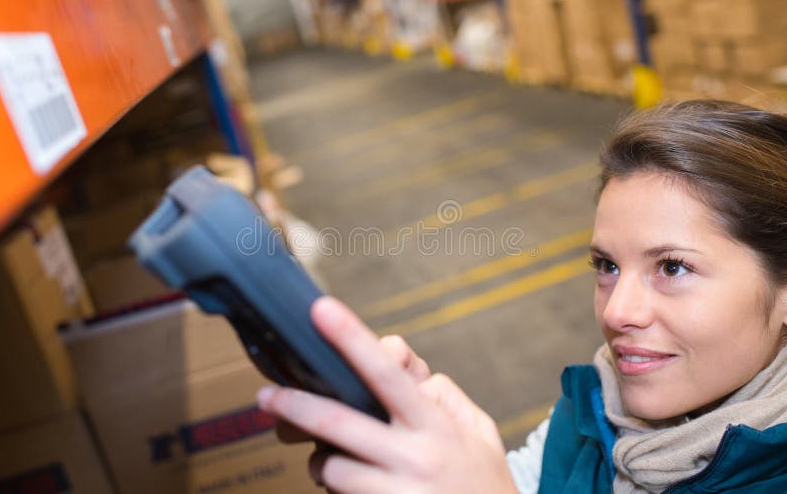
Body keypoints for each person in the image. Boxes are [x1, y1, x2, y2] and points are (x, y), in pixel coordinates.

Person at [256, 100, 787, 493]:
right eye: (606, 266)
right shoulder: (594, 408)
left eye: (672, 267)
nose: (617, 311)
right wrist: (425, 446)